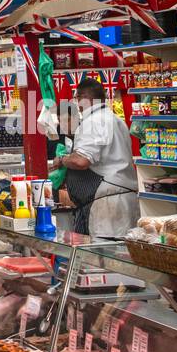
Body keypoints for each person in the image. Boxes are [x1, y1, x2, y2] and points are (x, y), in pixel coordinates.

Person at [50, 77, 139, 238]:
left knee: (104, 256)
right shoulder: (116, 119)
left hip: (107, 203)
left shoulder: (93, 121)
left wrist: (62, 160)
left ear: (82, 98)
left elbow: (81, 161)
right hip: (123, 197)